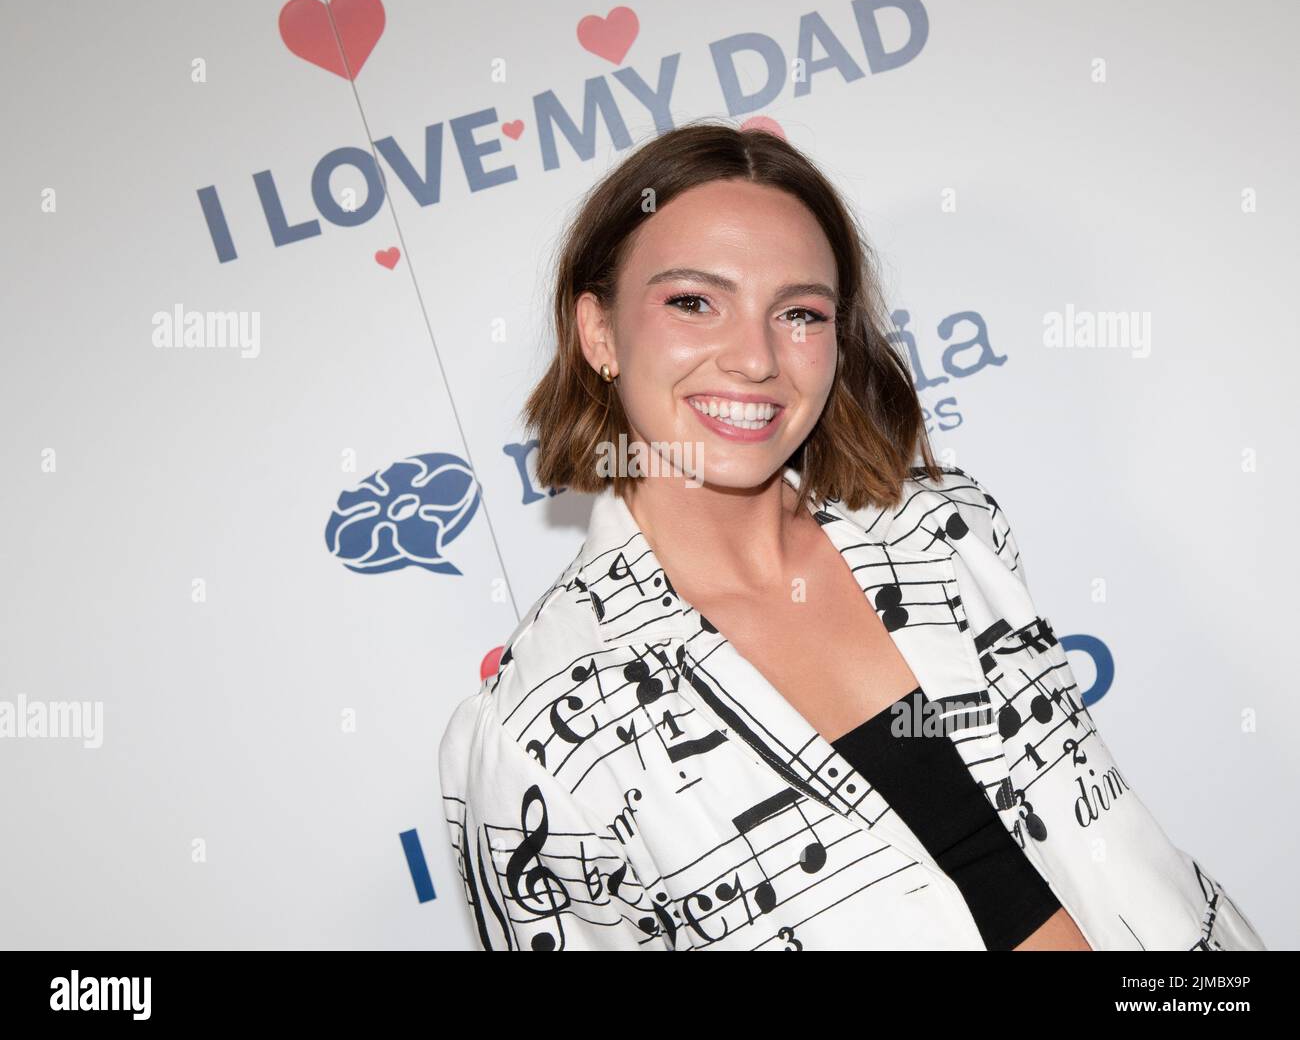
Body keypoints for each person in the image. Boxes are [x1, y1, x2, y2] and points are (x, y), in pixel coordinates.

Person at [438, 122, 1266, 951]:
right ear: (600, 332)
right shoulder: (532, 731)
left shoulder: (945, 531)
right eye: (694, 301)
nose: (756, 358)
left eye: (799, 312)